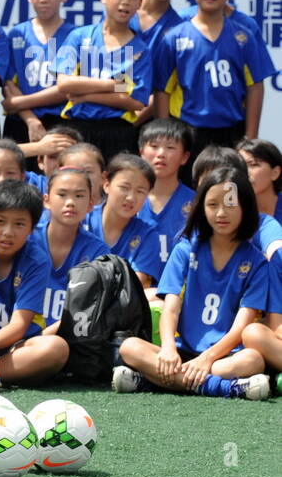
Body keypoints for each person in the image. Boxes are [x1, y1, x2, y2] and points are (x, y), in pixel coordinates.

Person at [115, 166, 270, 399]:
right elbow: (171, 307)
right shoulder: (186, 249)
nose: (221, 213)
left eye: (230, 204)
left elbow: (241, 327)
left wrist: (207, 359)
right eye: (212, 204)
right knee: (129, 347)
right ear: (201, 208)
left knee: (253, 360)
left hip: (223, 357)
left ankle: (151, 381)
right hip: (181, 352)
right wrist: (167, 348)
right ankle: (224, 388)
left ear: (246, 208)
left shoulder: (256, 262)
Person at [154, 0, 264, 164]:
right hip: (187, 131)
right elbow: (162, 90)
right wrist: (166, 136)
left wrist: (250, 137)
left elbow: (255, 86)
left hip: (232, 131)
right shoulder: (175, 36)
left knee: (229, 191)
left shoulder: (243, 36)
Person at [52, 0, 151, 161]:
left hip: (118, 131)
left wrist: (85, 95)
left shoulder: (141, 50)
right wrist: (115, 85)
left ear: (140, 2)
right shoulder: (79, 36)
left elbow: (136, 101)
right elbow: (64, 83)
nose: (125, 2)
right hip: (78, 129)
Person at [0, 180, 69, 387]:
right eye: (0, 221)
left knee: (56, 348)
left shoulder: (37, 260)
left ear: (31, 229)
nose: (8, 232)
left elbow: (19, 325)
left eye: (19, 224)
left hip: (11, 347)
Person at [2, 0, 73, 143]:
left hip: (61, 122)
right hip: (20, 121)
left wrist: (21, 102)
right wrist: (31, 120)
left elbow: (69, 89)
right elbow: (9, 85)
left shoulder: (76, 36)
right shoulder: (16, 34)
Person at [37, 167, 109, 329]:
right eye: (62, 195)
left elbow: (91, 310)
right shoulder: (28, 240)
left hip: (69, 340)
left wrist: (43, 338)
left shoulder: (98, 252)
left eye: (79, 195)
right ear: (46, 200)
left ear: (91, 204)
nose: (70, 202)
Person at [136, 118, 196, 288]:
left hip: (179, 292)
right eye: (154, 146)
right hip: (133, 291)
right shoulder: (127, 200)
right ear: (141, 152)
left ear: (185, 157)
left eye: (170, 147)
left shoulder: (197, 203)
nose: (160, 154)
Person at [83, 153, 158, 265]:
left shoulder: (148, 235)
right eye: (124, 188)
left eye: (140, 191)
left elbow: (137, 281)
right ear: (106, 184)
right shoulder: (81, 221)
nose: (131, 198)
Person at [237, 137, 282, 221]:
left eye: (253, 165)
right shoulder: (231, 211)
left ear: (275, 173)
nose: (245, 172)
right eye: (240, 166)